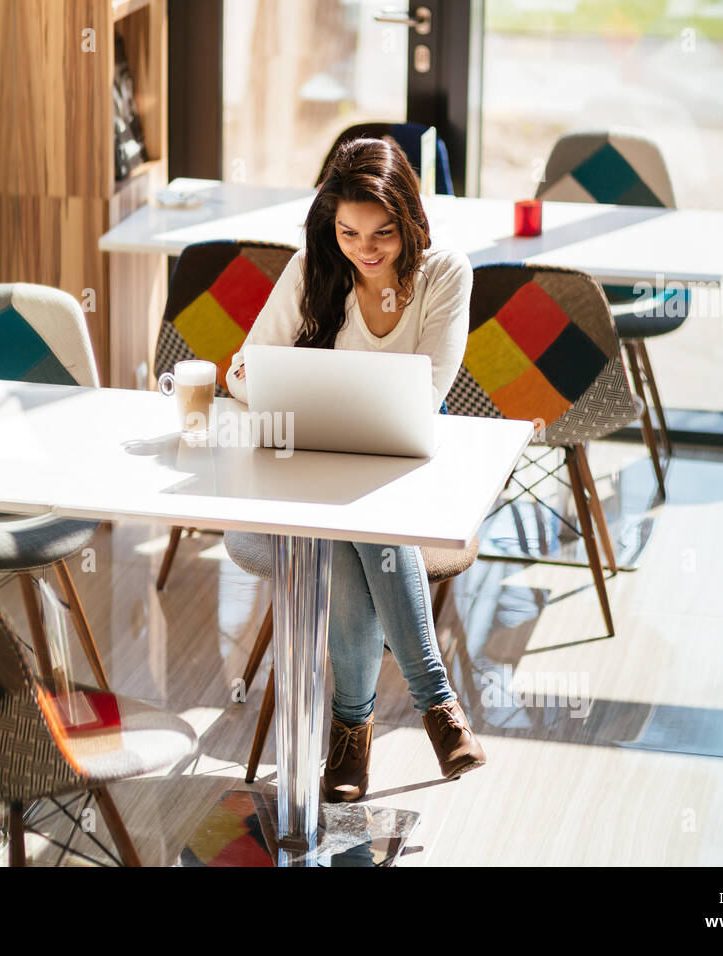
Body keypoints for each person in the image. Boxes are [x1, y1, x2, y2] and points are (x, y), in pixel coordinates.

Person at [225, 136, 485, 803]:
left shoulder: (445, 274)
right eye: (347, 232)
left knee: (358, 527)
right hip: (313, 463)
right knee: (352, 525)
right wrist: (273, 384)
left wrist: (310, 390)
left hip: (400, 470)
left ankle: (351, 732)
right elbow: (241, 372)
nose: (364, 250)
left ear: (409, 221)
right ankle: (437, 706)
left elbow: (424, 400)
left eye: (383, 234)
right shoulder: (315, 267)